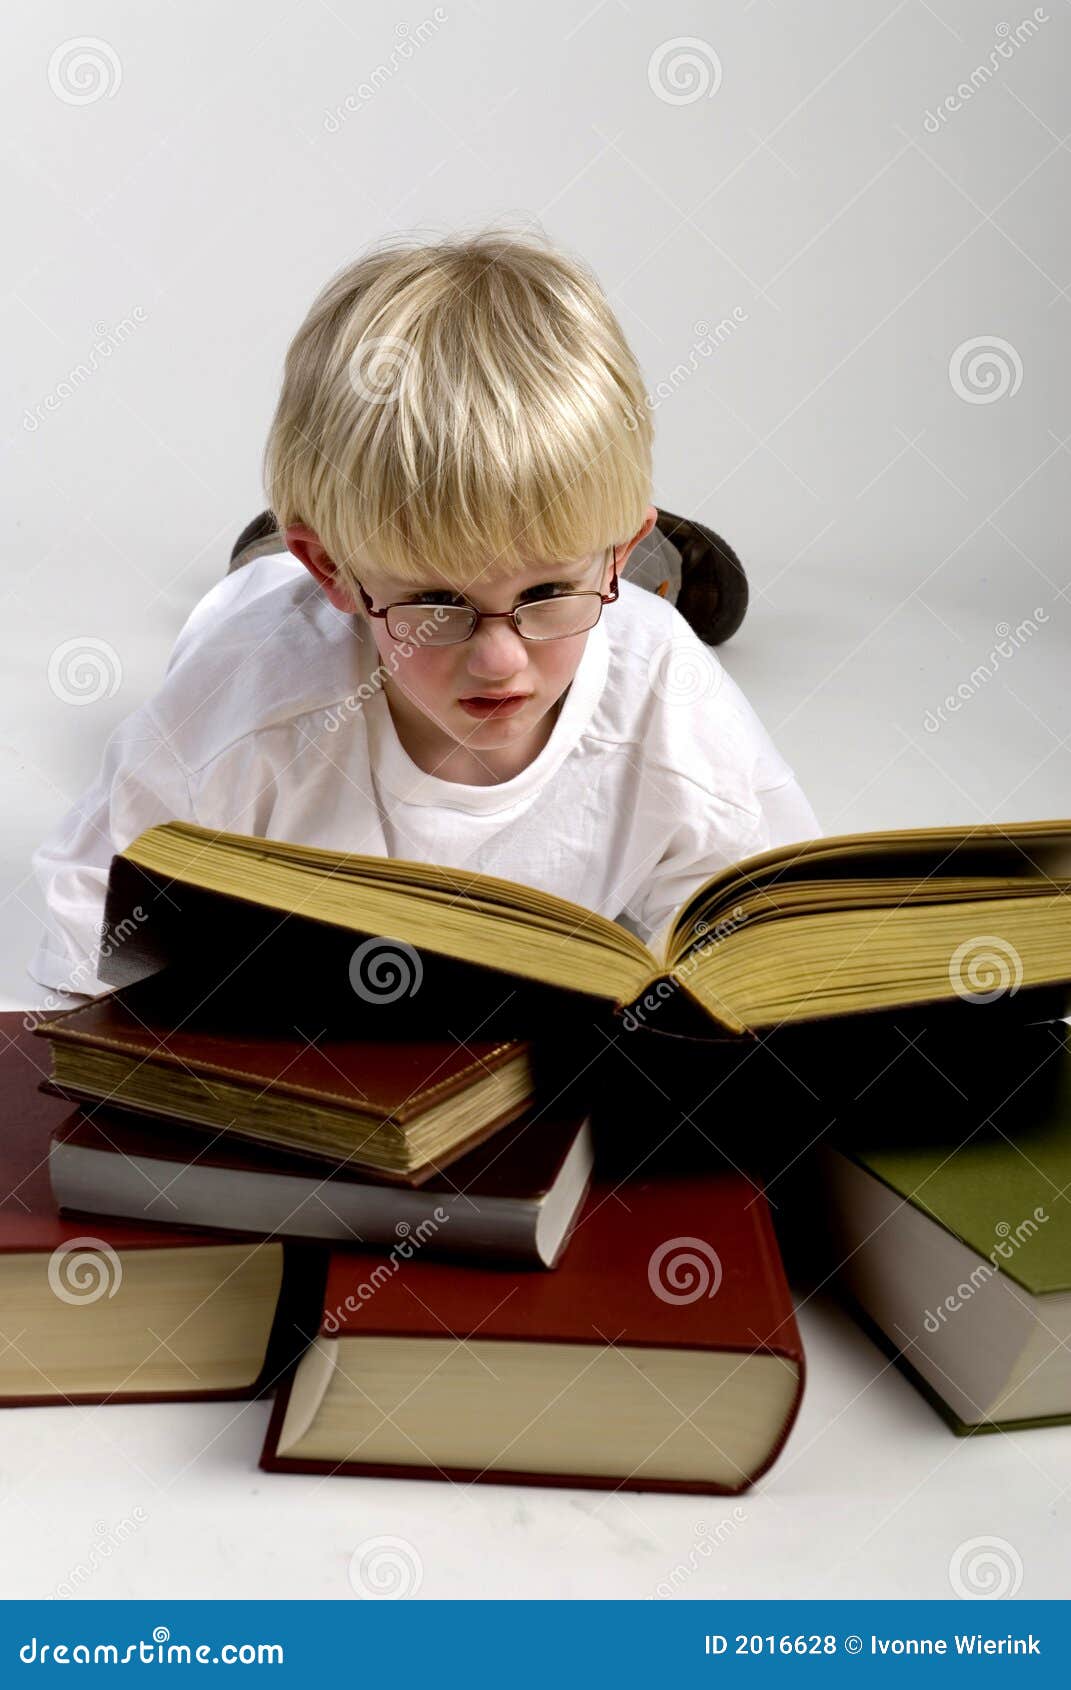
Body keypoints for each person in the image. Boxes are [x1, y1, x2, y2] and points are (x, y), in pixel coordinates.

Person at [27, 226, 821, 1001]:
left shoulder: (663, 692)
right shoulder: (248, 703)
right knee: (267, 571)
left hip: (524, 566)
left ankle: (636, 567)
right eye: (439, 605)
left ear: (613, 556)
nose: (498, 663)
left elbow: (763, 930)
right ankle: (281, 543)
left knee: (526, 558)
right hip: (281, 586)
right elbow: (86, 921)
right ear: (331, 570)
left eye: (545, 596)